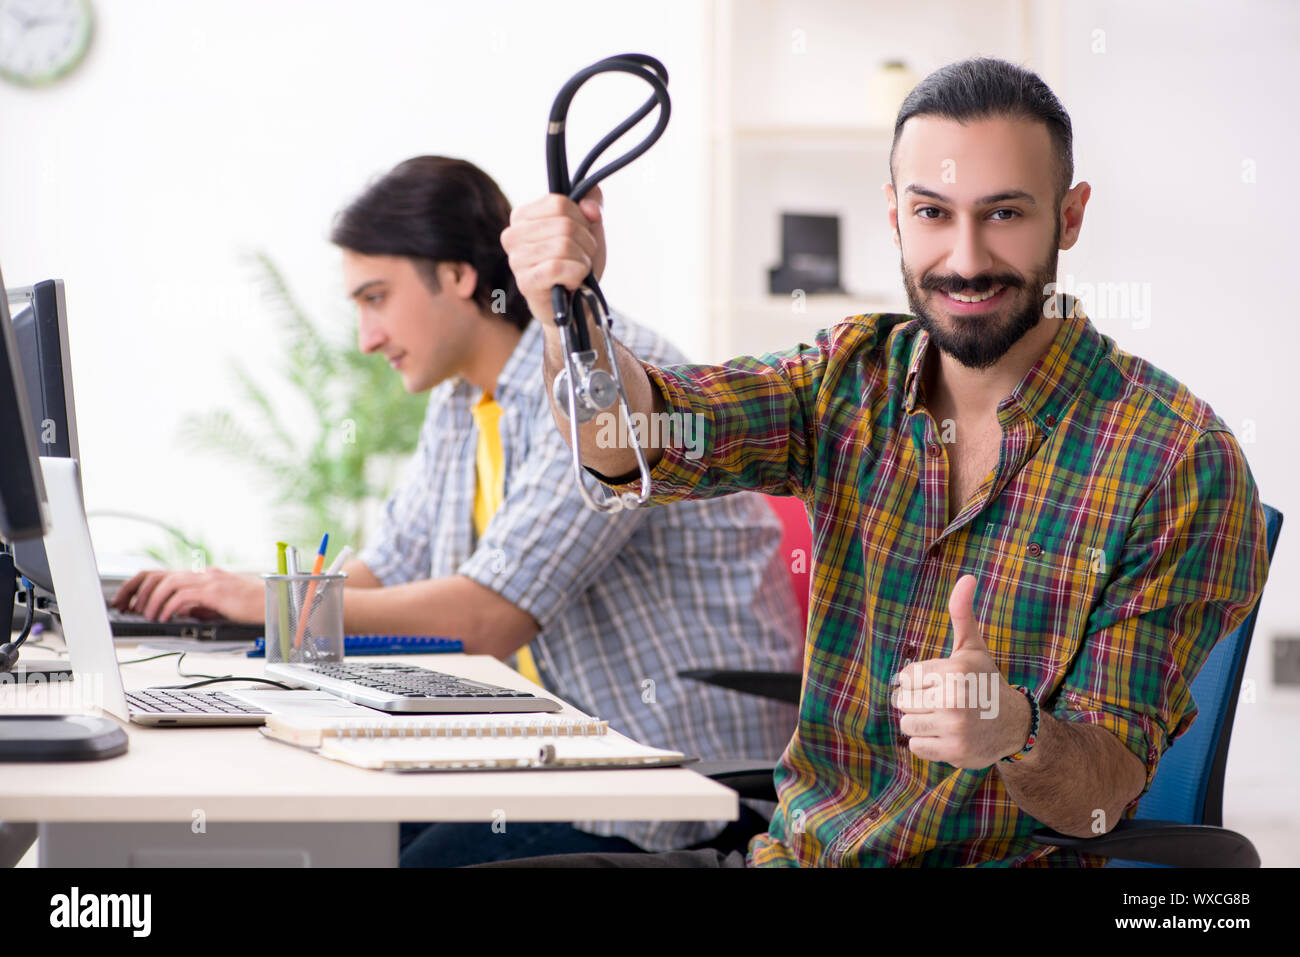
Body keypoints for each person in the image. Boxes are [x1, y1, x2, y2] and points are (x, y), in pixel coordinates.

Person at [493, 57, 1271, 867]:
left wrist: (1015, 731)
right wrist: (566, 316)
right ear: (895, 215)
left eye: (1004, 213)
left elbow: (1102, 799)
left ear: (1069, 218)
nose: (966, 258)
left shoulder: (1175, 461)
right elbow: (631, 442)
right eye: (934, 212)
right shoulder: (848, 377)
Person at [112, 155, 801, 864]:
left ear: (456, 275)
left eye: (375, 298)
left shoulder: (604, 381)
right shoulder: (461, 404)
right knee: (321, 834)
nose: (366, 337)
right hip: (548, 758)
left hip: (663, 781)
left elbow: (488, 616)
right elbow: (389, 568)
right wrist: (226, 604)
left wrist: (271, 603)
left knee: (389, 858)